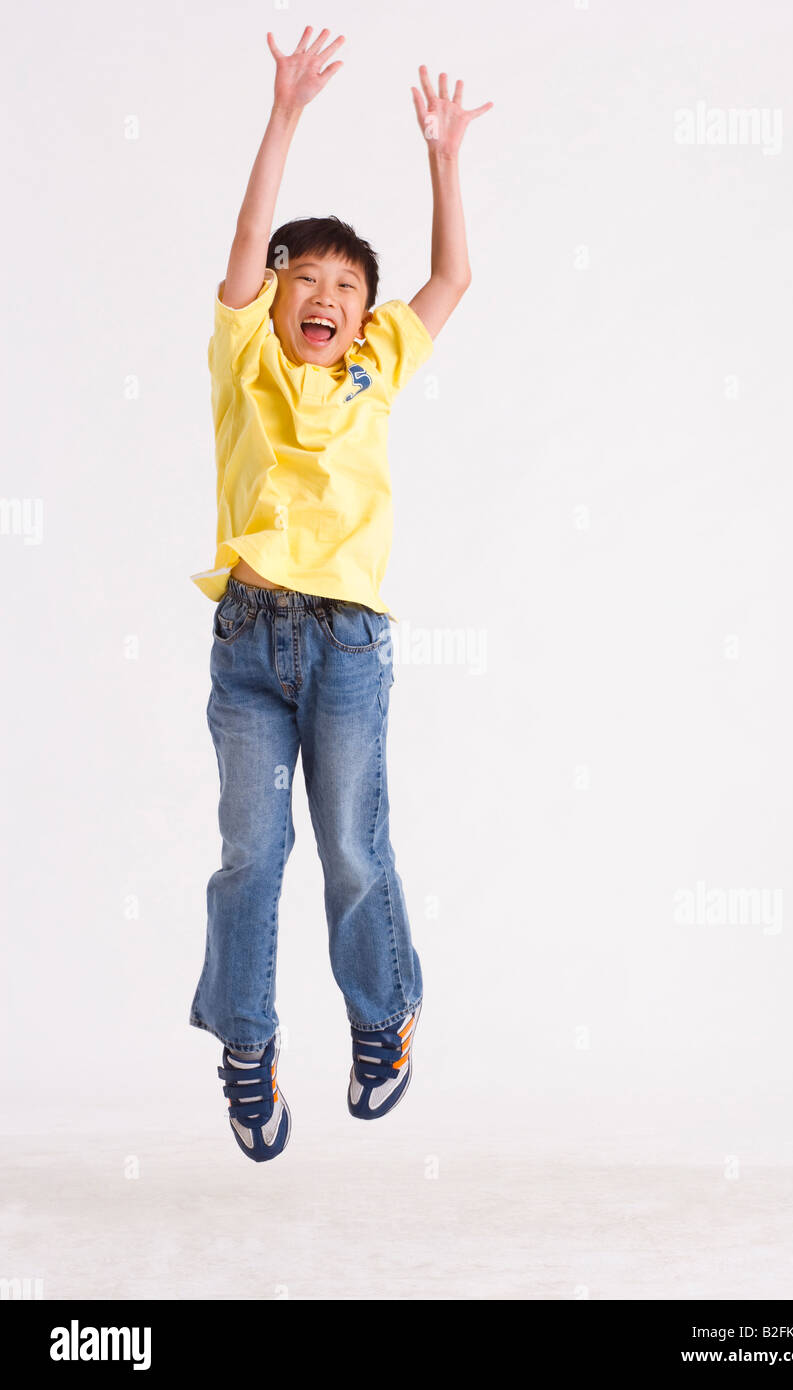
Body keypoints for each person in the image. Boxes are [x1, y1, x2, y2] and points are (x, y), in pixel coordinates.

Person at [188, 24, 492, 1161]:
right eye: (302, 279)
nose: (322, 294)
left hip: (349, 649)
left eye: (343, 285)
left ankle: (383, 1014)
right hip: (250, 645)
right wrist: (284, 114)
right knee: (249, 857)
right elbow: (238, 246)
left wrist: (442, 156)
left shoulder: (375, 368)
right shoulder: (245, 361)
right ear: (272, 299)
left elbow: (453, 277)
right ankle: (248, 1045)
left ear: (365, 313)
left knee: (353, 850)